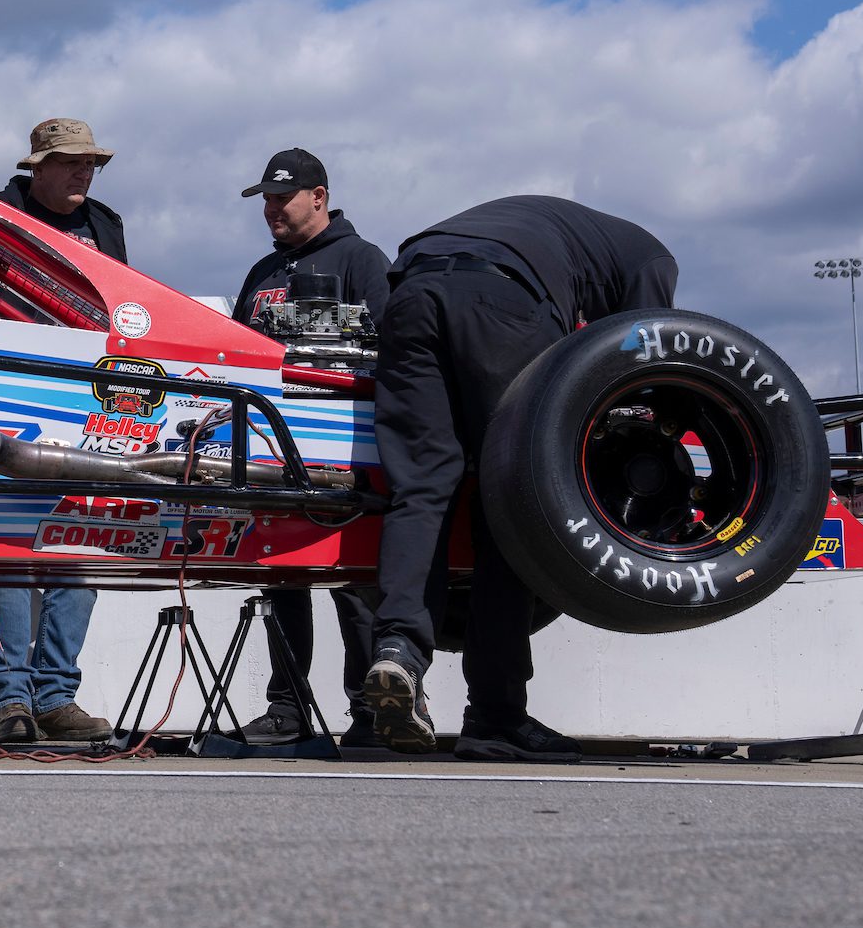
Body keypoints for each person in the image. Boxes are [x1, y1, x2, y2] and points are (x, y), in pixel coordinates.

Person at [362, 195, 677, 763]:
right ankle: (495, 716)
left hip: (410, 290)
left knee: (422, 484)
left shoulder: (555, 225)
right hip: (501, 300)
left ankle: (398, 649)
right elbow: (637, 357)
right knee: (510, 504)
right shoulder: (652, 257)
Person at [228, 148, 386, 747]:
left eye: (281, 197)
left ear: (319, 195)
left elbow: (395, 343)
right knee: (281, 575)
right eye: (265, 198)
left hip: (346, 451)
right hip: (274, 449)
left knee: (354, 578)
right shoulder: (260, 274)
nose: (270, 208)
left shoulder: (362, 259)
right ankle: (288, 708)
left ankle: (371, 712)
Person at [0, 117, 126, 746]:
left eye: (90, 162)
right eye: (70, 161)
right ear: (34, 166)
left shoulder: (106, 223)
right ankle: (12, 699)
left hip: (88, 400)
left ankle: (55, 696)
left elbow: (126, 312)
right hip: (6, 395)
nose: (83, 172)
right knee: (10, 550)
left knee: (81, 544)